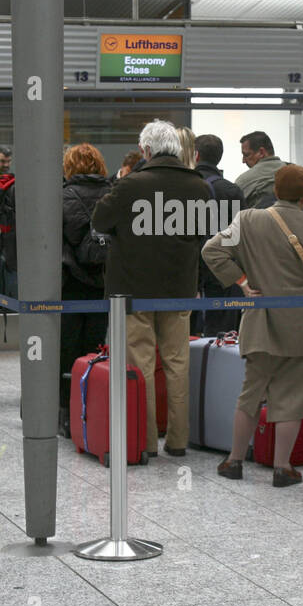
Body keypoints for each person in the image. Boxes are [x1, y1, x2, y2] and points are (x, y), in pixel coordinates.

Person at [203, 164, 303, 488]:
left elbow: (211, 250)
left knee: (250, 392)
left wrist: (244, 282)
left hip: (261, 320)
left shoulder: (247, 219)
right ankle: (282, 467)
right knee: (293, 396)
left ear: (276, 190)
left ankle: (234, 461)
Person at [92, 120, 211, 457]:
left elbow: (100, 222)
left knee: (141, 364)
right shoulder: (199, 187)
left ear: (145, 150)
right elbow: (203, 233)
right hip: (180, 287)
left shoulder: (131, 185)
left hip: (134, 287)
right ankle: (177, 440)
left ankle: (144, 441)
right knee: (177, 364)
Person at [58, 144, 112, 436]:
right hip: (104, 282)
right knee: (95, 349)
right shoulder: (113, 193)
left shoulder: (62, 196)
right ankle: (89, 410)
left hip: (70, 284)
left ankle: (65, 414)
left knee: (67, 350)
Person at [192, 134, 245, 336]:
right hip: (222, 269)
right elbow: (240, 235)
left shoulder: (185, 188)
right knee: (222, 331)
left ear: (195, 155)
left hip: (190, 269)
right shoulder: (231, 190)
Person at [234, 130, 303, 217]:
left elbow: (234, 223)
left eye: (247, 155)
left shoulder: (242, 181)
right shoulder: (302, 176)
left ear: (261, 152)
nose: (243, 161)